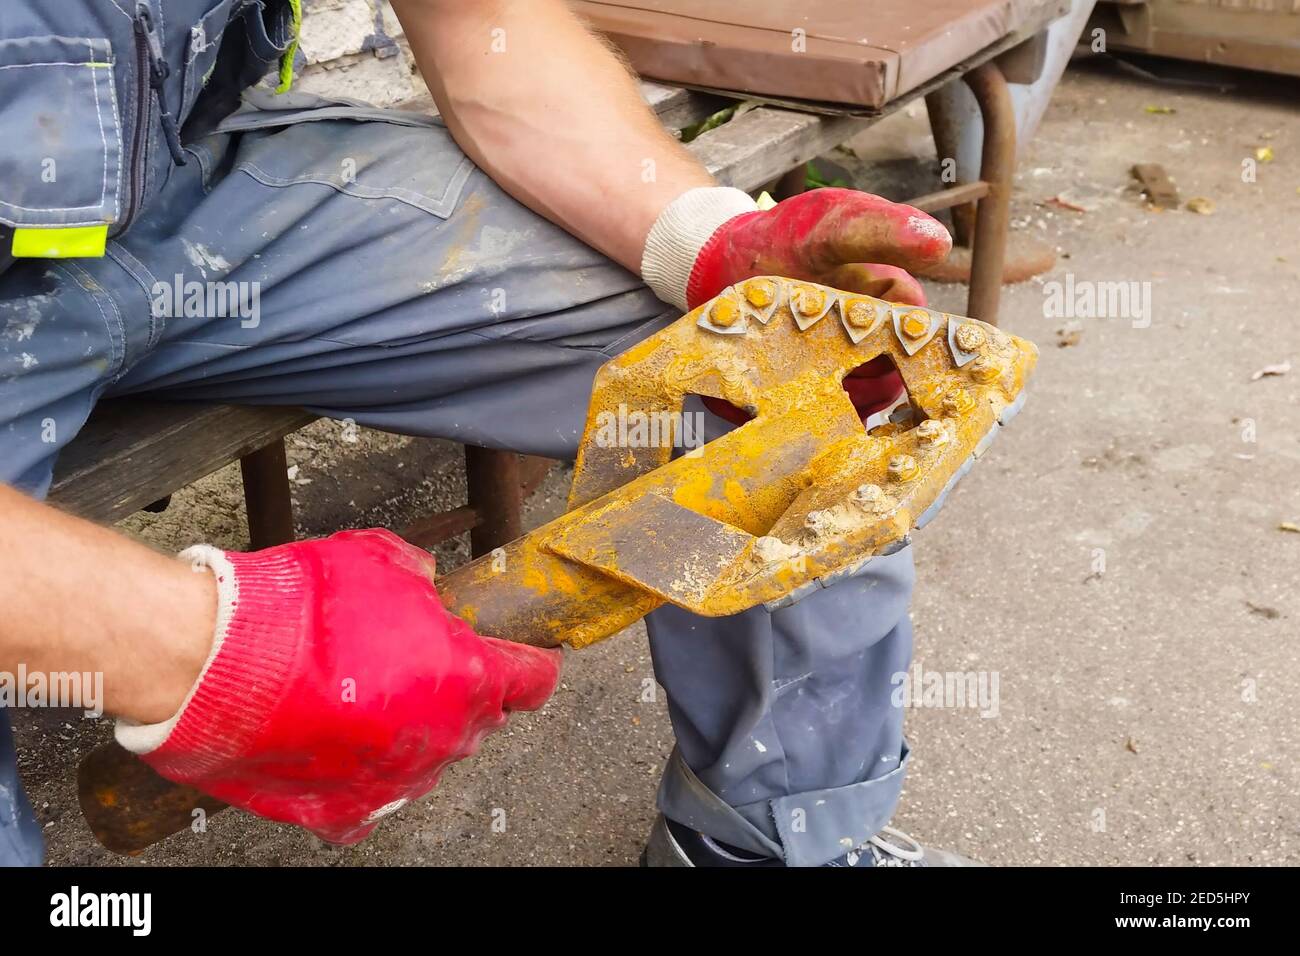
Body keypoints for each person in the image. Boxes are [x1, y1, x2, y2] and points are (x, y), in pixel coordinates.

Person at [0, 0, 971, 867]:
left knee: (774, 372)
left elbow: (482, 25)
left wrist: (703, 242)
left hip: (178, 184)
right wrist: (196, 644)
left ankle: (768, 835)